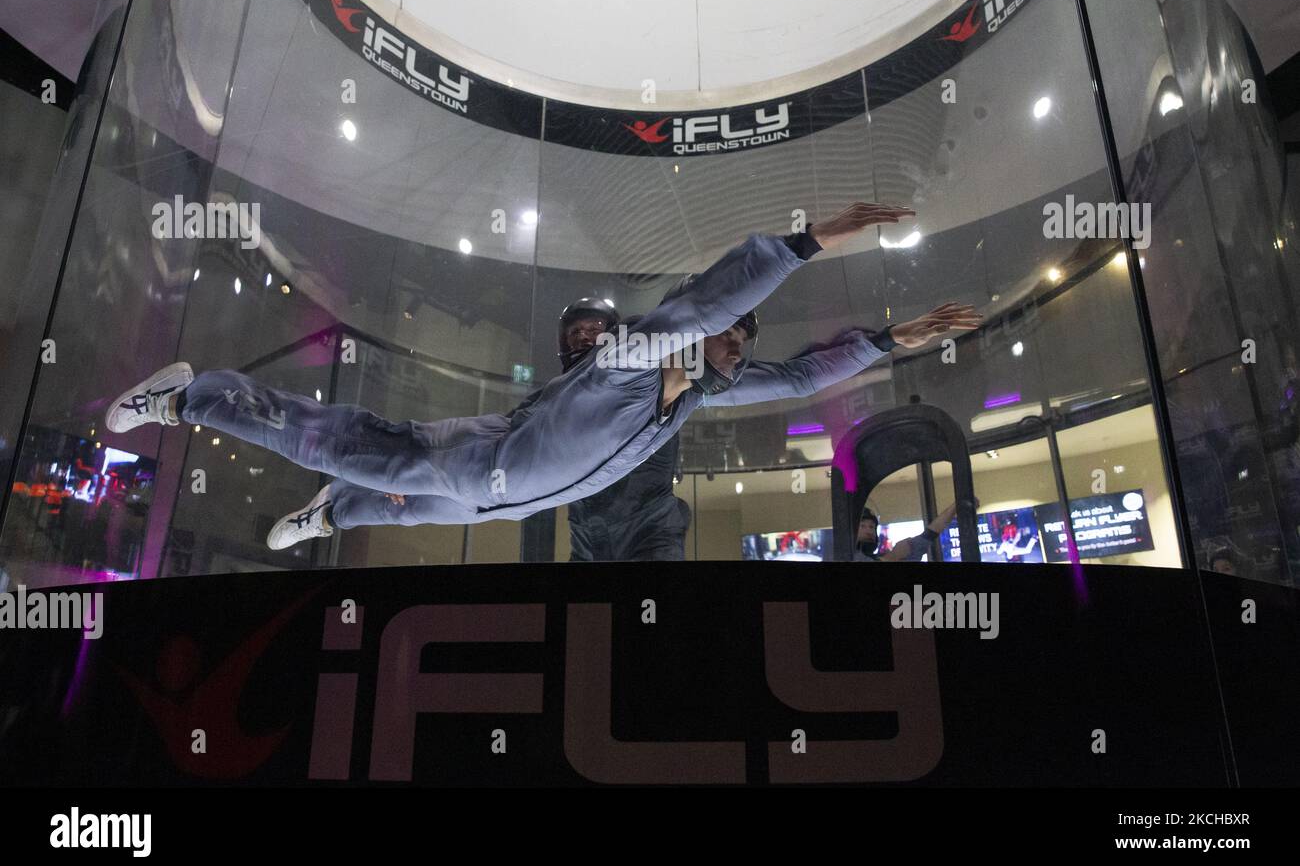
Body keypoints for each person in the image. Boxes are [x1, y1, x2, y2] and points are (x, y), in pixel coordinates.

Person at [106, 201, 981, 550]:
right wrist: (808, 243)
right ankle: (191, 393)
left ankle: (330, 513)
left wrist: (891, 338)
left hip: (501, 498)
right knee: (334, 443)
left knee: (378, 500)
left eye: (741, 345)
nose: (737, 352)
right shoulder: (634, 362)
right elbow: (714, 297)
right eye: (728, 341)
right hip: (477, 462)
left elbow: (793, 380)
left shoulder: (693, 399)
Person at [554, 298, 692, 562]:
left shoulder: (645, 380)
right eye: (575, 332)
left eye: (593, 329)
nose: (583, 337)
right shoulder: (560, 399)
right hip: (588, 542)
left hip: (649, 537)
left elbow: (698, 380)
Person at [854, 501, 962, 562]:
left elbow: (929, 534)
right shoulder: (843, 554)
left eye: (872, 527)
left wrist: (955, 507)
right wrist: (893, 557)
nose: (869, 531)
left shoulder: (882, 557)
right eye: (862, 526)